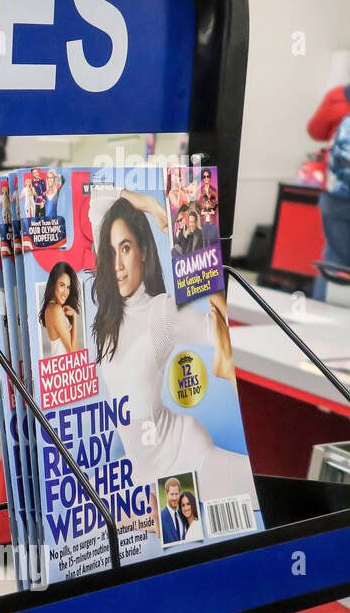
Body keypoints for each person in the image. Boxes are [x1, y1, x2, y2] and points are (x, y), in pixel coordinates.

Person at [88, 187, 253, 501]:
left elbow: (219, 332)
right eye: (111, 252)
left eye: (126, 248)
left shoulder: (161, 311)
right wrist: (143, 202)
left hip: (184, 455)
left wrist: (156, 211)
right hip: (144, 475)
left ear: (144, 251)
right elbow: (97, 201)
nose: (118, 264)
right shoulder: (110, 315)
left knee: (265, 497)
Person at [315, 113, 350, 301]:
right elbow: (345, 164)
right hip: (342, 202)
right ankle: (323, 312)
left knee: (335, 259)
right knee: (336, 262)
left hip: (336, 199)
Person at [38, 261, 81, 356]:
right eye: (62, 285)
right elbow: (72, 351)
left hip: (62, 366)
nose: (65, 293)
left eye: (68, 287)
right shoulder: (56, 309)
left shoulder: (51, 308)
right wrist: (74, 317)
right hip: (65, 367)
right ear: (53, 284)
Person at [159, 477, 186, 545]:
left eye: (176, 494)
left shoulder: (183, 514)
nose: (174, 498)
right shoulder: (161, 517)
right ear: (166, 494)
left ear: (179, 494)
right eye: (172, 494)